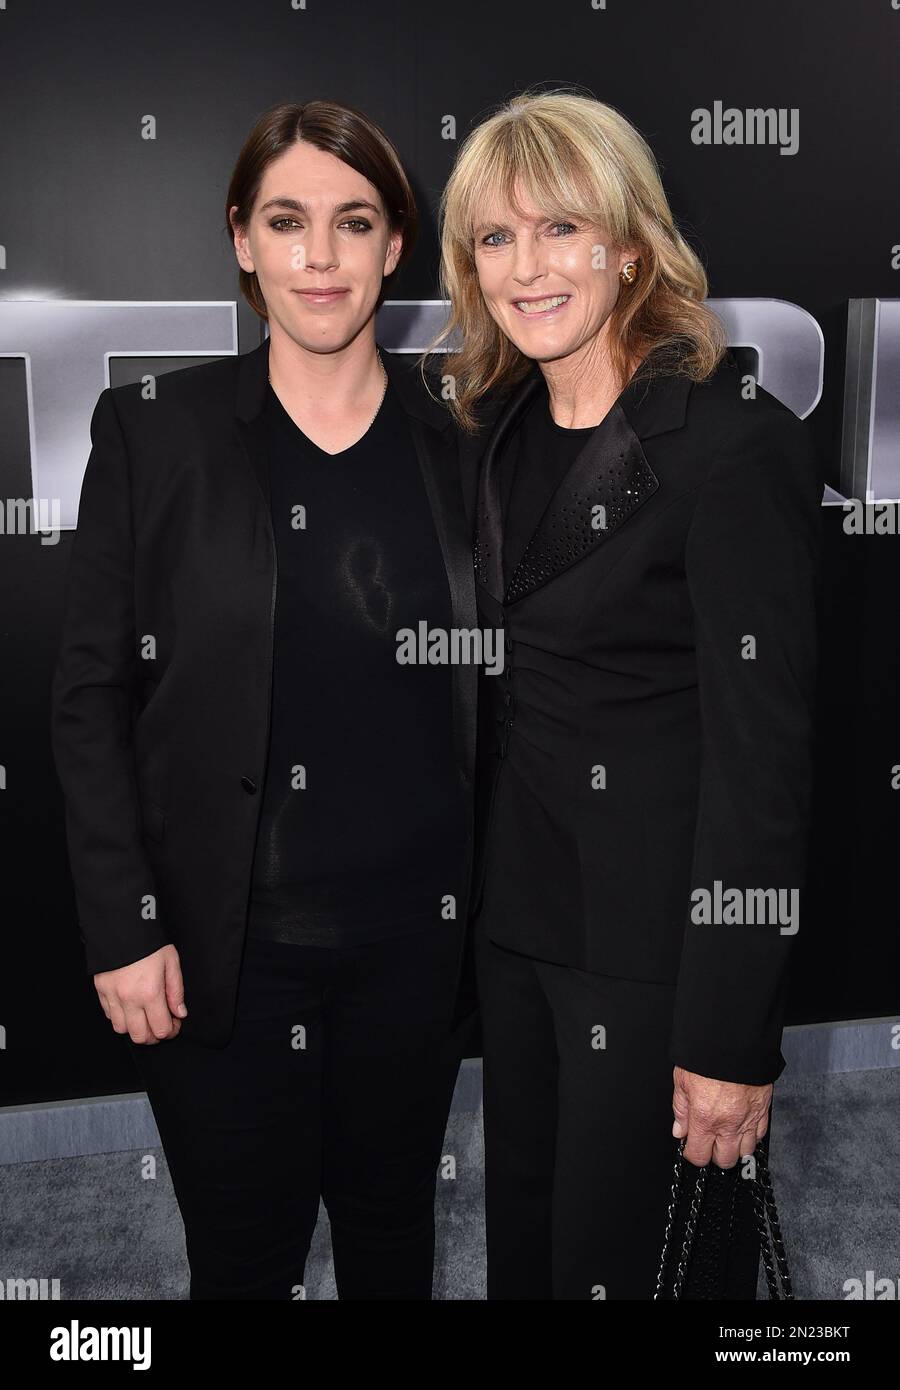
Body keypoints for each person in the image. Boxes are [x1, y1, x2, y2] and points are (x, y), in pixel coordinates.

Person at [50, 99, 478, 1300]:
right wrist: (123, 923)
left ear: (396, 245)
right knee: (243, 1261)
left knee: (395, 1241)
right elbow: (90, 696)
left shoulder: (464, 437)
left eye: (354, 222)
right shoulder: (157, 432)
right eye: (288, 222)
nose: (321, 256)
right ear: (242, 239)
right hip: (223, 955)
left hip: (413, 946)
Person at [424, 87, 824, 1299]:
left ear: (631, 245)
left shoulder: (728, 441)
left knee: (651, 1267)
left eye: (560, 230)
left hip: (656, 958)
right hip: (518, 938)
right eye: (496, 237)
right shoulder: (495, 432)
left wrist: (726, 1037)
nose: (526, 266)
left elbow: (764, 767)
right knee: (533, 1257)